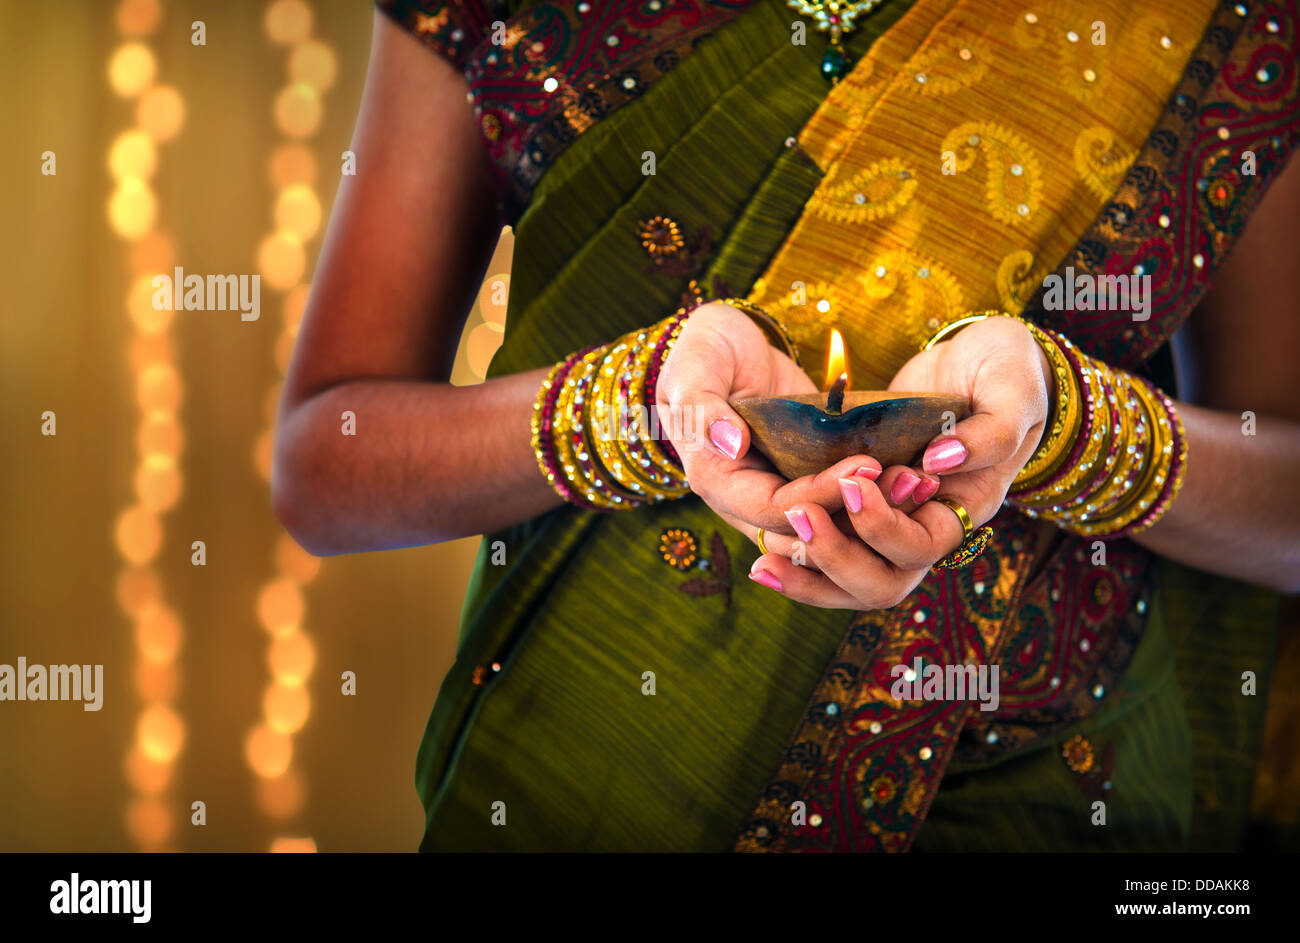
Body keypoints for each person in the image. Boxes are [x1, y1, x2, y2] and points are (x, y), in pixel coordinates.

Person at [272, 0, 1300, 851]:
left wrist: (1067, 425)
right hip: (600, 773)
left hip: (1044, 793)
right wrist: (644, 403)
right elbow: (328, 464)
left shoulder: (1204, 18)